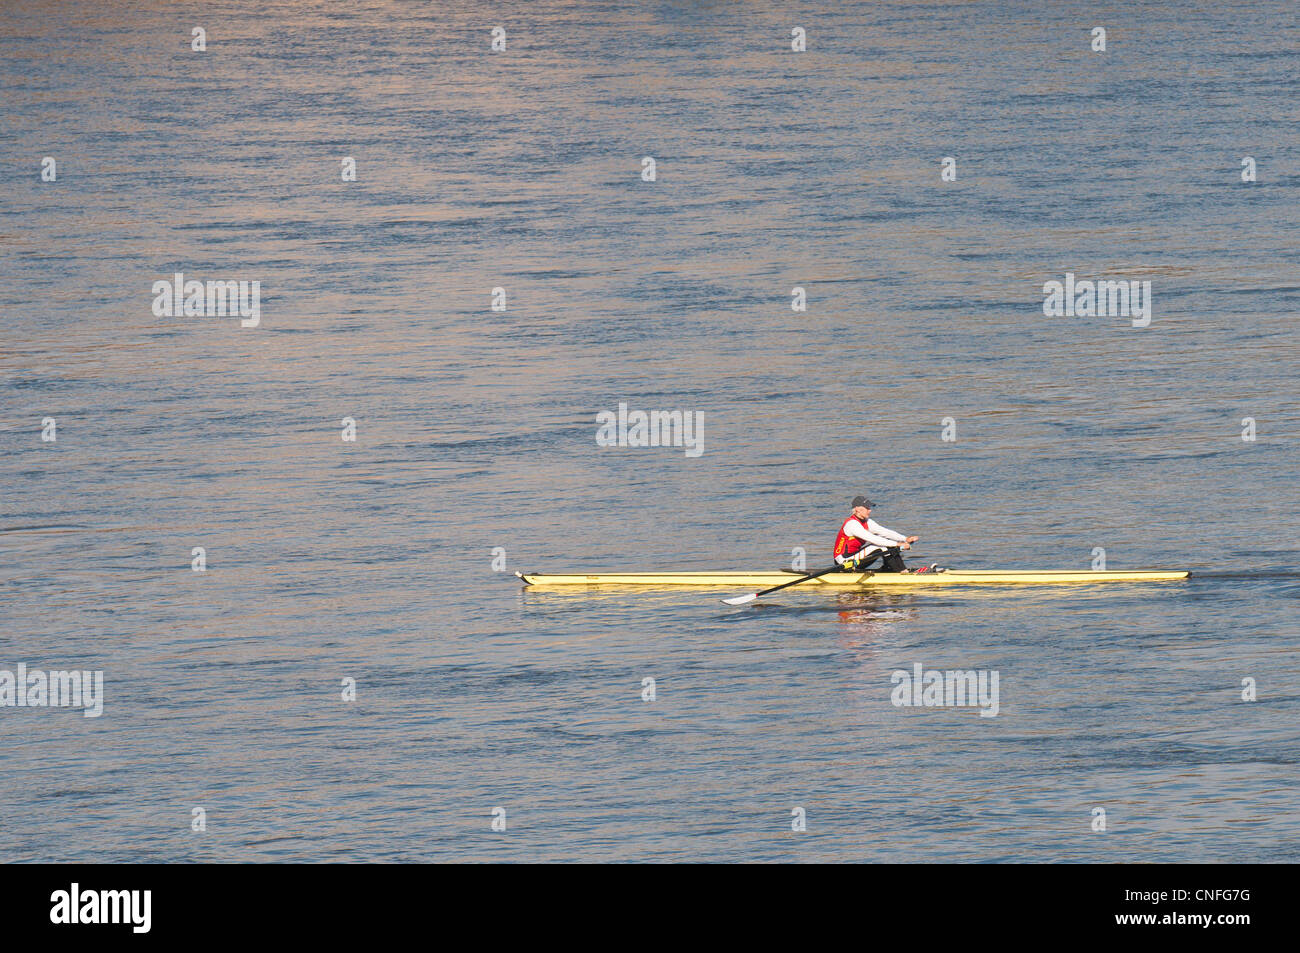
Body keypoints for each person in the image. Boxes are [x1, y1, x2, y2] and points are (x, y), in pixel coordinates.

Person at [832, 496, 935, 573]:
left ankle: (890, 568)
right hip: (844, 562)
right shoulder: (852, 524)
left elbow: (885, 532)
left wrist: (905, 539)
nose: (870, 510)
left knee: (887, 544)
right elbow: (873, 539)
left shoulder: (867, 521)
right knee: (881, 546)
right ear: (858, 509)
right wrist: (898, 544)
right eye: (867, 507)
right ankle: (902, 572)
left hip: (855, 558)